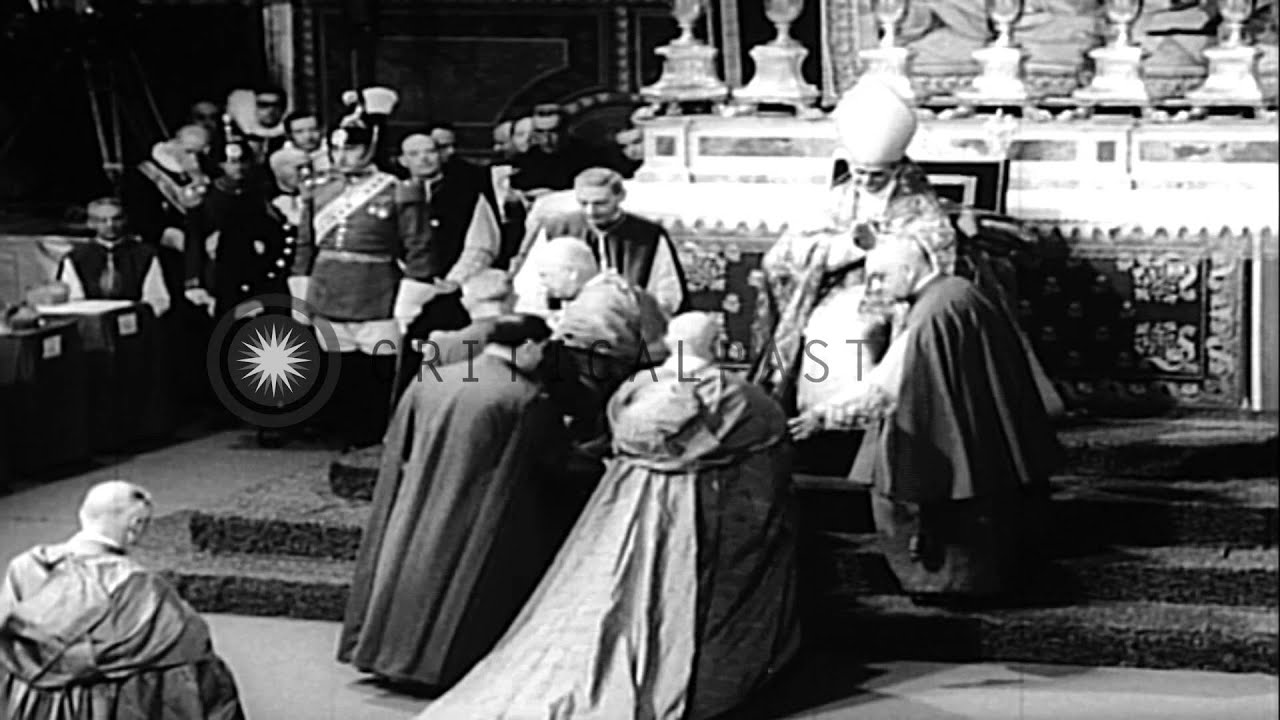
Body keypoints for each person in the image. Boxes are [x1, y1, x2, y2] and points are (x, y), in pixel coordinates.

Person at [416, 312, 800, 720]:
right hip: (696, 502)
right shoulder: (738, 395)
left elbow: (615, 428)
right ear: (716, 343)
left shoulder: (637, 385)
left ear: (670, 339)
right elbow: (768, 439)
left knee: (604, 582)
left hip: (627, 495)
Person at [750, 75, 1062, 455]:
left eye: (876, 176)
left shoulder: (919, 201)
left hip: (902, 292)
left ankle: (872, 431)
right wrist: (849, 246)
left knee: (862, 332)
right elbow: (787, 255)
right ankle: (819, 422)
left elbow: (936, 253)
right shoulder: (839, 197)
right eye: (859, 172)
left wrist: (883, 249)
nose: (864, 181)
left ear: (897, 169)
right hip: (839, 286)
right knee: (822, 327)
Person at [791, 238, 1059, 604]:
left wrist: (824, 416)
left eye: (880, 278)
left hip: (947, 435)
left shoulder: (931, 317)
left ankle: (947, 588)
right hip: (982, 428)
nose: (875, 288)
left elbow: (884, 387)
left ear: (908, 271)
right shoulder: (961, 291)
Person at [338, 314, 575, 691]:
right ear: (530, 346)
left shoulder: (433, 378)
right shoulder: (522, 396)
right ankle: (429, 664)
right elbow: (553, 463)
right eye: (544, 349)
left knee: (401, 569)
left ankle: (378, 650)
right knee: (453, 580)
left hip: (415, 497)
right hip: (472, 505)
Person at [0, 481, 245, 718]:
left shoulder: (25, 566)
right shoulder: (139, 586)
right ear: (135, 526)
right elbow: (191, 649)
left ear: (83, 514)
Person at [290, 89, 428, 447]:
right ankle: (342, 434)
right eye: (336, 149)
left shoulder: (398, 190)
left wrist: (411, 296)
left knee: (378, 371)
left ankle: (375, 434)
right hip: (328, 289)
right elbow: (305, 246)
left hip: (376, 291)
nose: (342, 156)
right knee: (337, 367)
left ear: (370, 148)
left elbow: (419, 247)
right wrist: (302, 295)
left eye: (350, 148)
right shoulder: (317, 190)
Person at [513, 167, 688, 317]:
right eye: (583, 203)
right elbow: (529, 287)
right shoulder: (556, 229)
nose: (591, 212)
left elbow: (667, 293)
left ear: (620, 196)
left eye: (600, 203)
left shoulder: (648, 235)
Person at [184, 140, 292, 319]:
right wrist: (194, 279)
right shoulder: (206, 199)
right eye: (232, 162)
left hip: (259, 271)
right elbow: (194, 240)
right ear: (220, 164)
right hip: (220, 272)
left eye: (243, 161)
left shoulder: (260, 193)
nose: (239, 168)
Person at [56, 197, 171, 317]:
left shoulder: (145, 254)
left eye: (116, 219)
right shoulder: (76, 257)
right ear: (91, 223)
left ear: (125, 220)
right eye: (103, 220)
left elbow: (158, 300)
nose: (110, 225)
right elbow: (73, 300)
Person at [422, 269, 515, 367]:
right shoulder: (529, 337)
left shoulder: (442, 343)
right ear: (514, 298)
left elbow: (424, 381)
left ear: (466, 302)